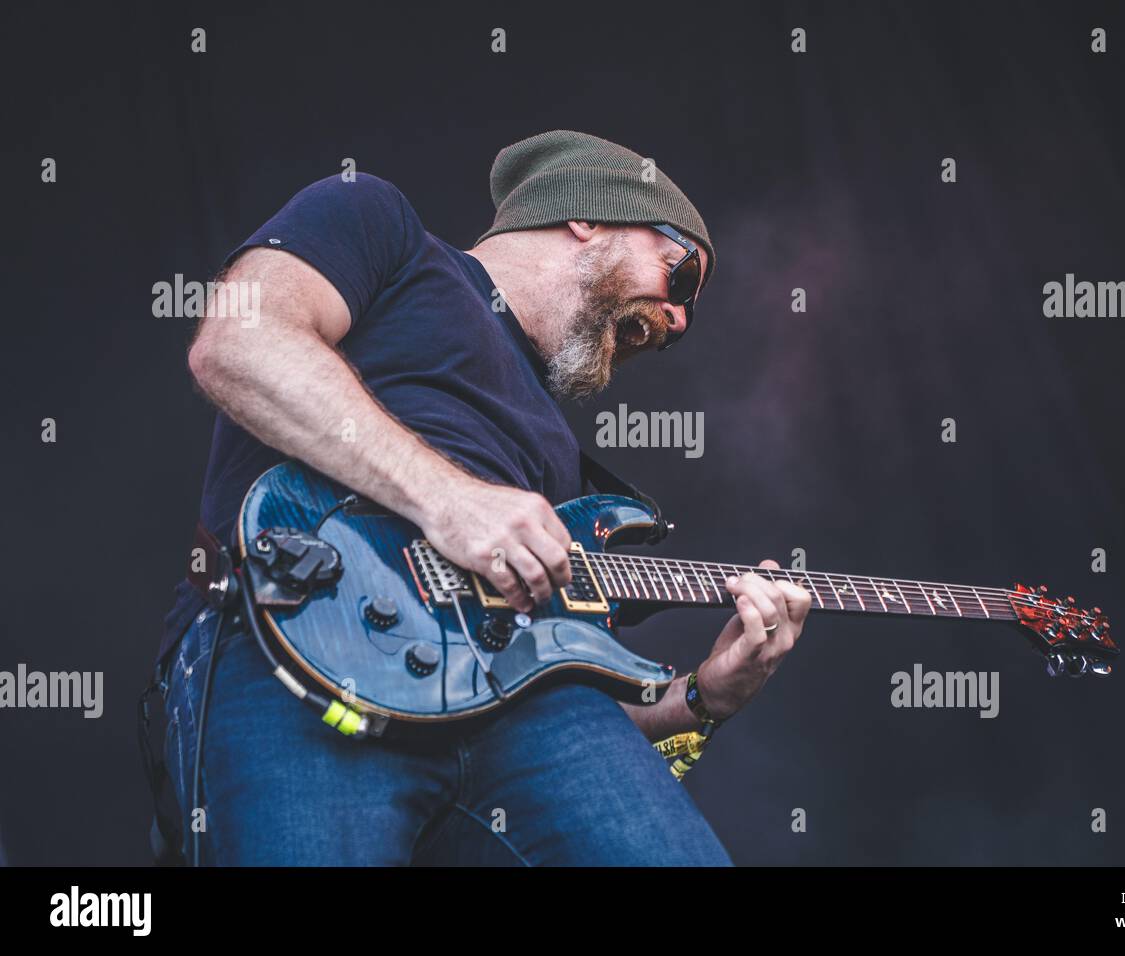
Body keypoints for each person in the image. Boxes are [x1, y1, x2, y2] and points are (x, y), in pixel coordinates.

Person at [156, 130, 811, 865]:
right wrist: (449, 499)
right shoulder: (379, 226)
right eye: (681, 275)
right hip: (302, 646)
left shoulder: (558, 461)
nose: (679, 320)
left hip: (510, 710)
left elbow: (551, 663)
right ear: (588, 213)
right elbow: (240, 341)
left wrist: (699, 698)